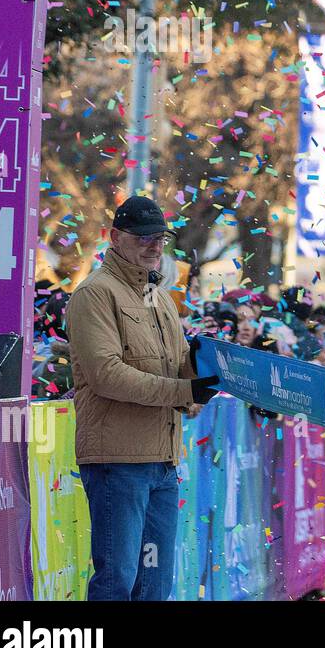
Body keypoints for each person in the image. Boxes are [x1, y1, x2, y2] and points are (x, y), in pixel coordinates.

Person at [65, 196, 220, 601]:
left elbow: (175, 366)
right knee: (117, 581)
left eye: (160, 238)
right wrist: (184, 391)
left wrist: (211, 372)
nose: (154, 246)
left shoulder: (160, 297)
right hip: (118, 462)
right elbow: (107, 376)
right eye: (143, 237)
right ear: (116, 237)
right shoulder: (95, 294)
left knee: (154, 585)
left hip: (163, 461)